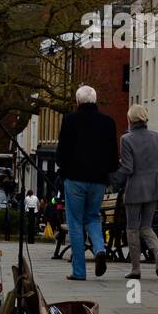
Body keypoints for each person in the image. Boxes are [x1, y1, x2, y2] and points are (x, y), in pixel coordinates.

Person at [55, 85, 119, 280]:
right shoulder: (108, 122)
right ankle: (100, 249)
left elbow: (62, 151)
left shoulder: (70, 120)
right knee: (92, 217)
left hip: (75, 178)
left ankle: (79, 271)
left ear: (78, 101)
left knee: (75, 222)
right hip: (98, 179)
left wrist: (63, 168)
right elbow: (113, 155)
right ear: (95, 100)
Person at [111, 103, 158, 279]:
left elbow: (128, 168)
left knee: (132, 228)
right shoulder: (156, 136)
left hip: (135, 188)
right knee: (147, 226)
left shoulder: (126, 139)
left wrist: (114, 179)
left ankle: (136, 268)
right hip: (153, 187)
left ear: (130, 119)